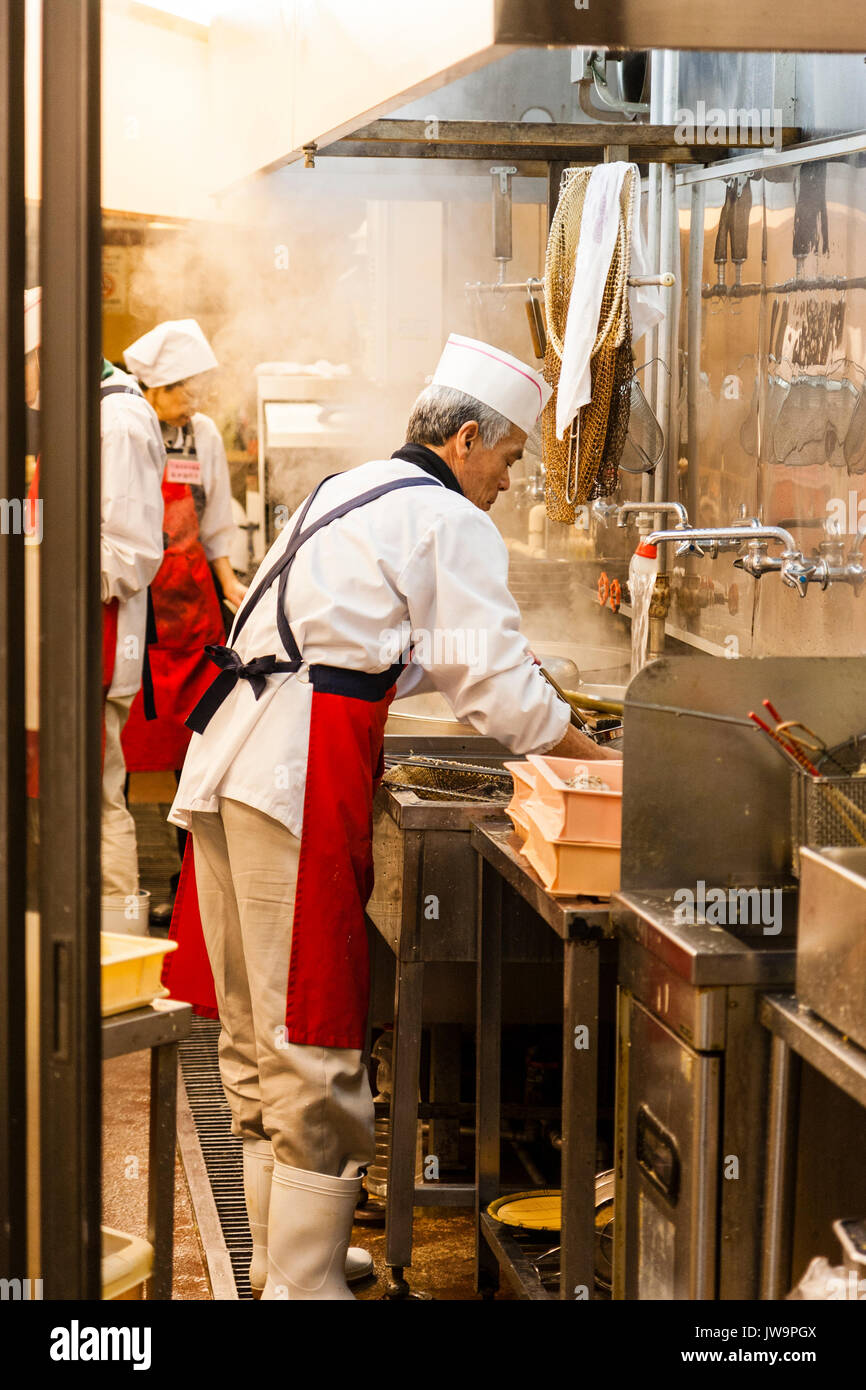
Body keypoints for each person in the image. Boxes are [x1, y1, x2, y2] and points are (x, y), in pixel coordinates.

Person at [166, 332, 618, 1300]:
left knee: (257, 1036)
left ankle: (299, 1258)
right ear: (464, 439)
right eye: (506, 458)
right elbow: (496, 690)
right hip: (292, 770)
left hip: (233, 761)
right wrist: (596, 759)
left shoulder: (354, 484)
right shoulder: (447, 520)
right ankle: (301, 1283)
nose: (507, 480)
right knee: (311, 1035)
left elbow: (427, 646)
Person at [24, 288, 165, 929]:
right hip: (52, 642)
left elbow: (128, 554)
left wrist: (33, 560)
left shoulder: (118, 421)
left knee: (95, 795)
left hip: (93, 643)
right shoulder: (75, 412)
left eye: (22, 365)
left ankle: (117, 945)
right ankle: (55, 928)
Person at [120, 319, 245, 926]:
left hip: (194, 617)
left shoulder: (203, 434)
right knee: (125, 748)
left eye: (196, 387)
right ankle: (123, 885)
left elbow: (217, 518)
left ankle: (185, 881)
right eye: (183, 388)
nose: (193, 400)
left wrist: (229, 583)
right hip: (139, 619)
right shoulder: (125, 428)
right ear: (154, 387)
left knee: (193, 752)